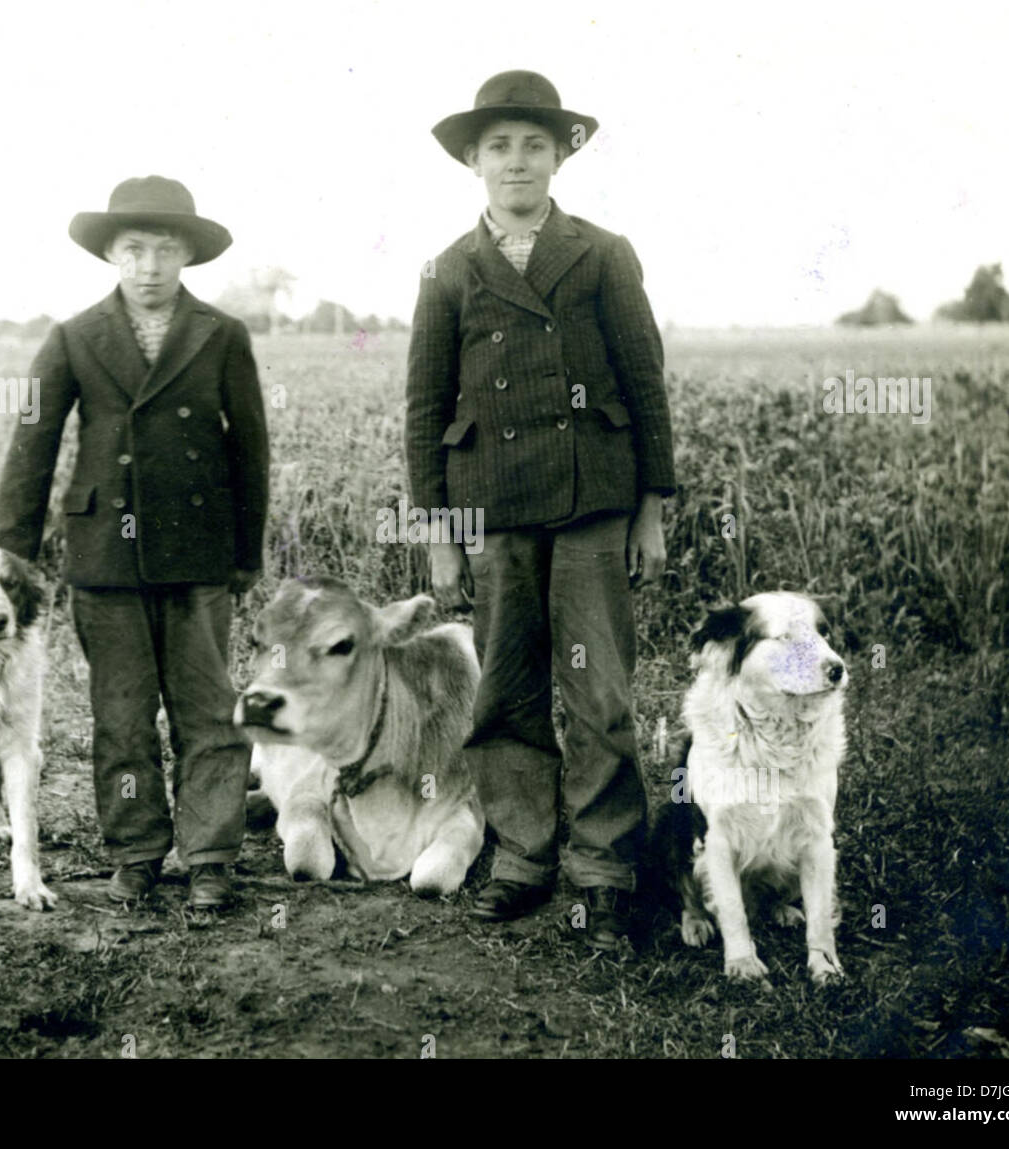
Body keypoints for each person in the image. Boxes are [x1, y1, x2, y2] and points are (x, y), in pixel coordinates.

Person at [405, 72, 676, 949]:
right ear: (473, 162)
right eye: (499, 146)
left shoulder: (603, 253)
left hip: (593, 500)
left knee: (600, 693)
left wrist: (651, 508)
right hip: (491, 509)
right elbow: (424, 408)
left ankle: (605, 869)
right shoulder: (447, 269)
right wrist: (442, 534)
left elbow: (645, 382)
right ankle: (523, 856)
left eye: (534, 145)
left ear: (561, 157)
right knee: (507, 690)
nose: (516, 161)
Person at [0, 175, 269, 909]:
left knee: (209, 712)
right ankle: (137, 852)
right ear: (111, 254)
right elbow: (31, 447)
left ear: (187, 256)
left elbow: (251, 451)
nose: (149, 266)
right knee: (121, 716)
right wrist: (5, 565)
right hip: (105, 557)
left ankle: (210, 857)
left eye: (166, 249)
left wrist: (246, 553)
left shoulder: (222, 334)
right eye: (134, 249)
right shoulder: (74, 336)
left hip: (199, 553)